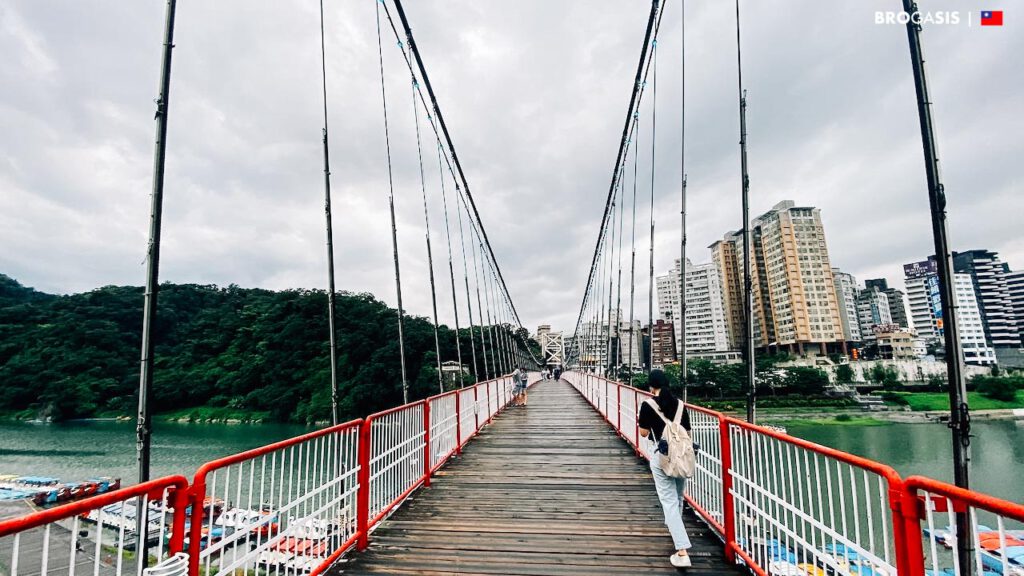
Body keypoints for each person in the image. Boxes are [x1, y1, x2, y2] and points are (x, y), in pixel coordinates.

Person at [637, 369, 693, 569]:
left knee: (668, 502)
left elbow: (644, 433)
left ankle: (682, 551)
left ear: (651, 386)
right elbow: (686, 431)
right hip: (681, 457)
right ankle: (675, 529)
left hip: (661, 457)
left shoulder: (647, 404)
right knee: (677, 498)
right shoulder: (680, 404)